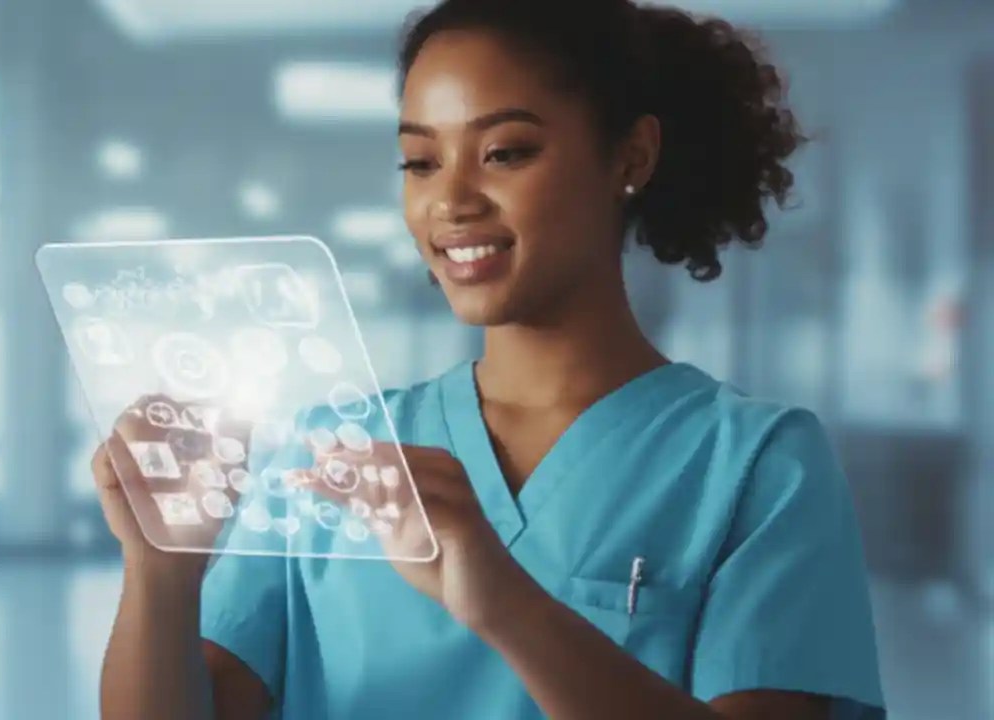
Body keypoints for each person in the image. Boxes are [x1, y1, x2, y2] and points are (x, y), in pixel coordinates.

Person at [92, 0, 886, 718]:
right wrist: (161, 572)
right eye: (420, 162)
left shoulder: (755, 466)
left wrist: (504, 602)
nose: (451, 201)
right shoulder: (328, 454)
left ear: (631, 157)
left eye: (504, 153)